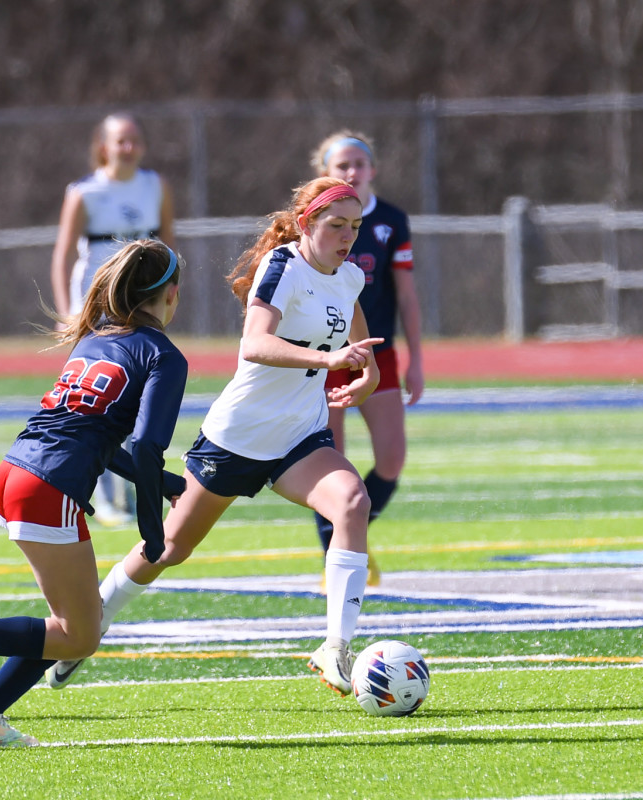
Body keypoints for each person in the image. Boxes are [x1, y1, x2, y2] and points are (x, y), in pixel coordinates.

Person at [45, 177, 382, 697]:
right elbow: (255, 343)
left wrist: (369, 374)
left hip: (301, 437)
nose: (347, 237)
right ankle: (87, 632)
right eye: (336, 225)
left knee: (352, 503)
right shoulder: (282, 267)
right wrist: (327, 359)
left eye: (355, 227)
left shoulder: (348, 276)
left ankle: (335, 647)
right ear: (306, 224)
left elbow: (358, 336)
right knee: (167, 548)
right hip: (237, 438)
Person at [0, 239, 187, 749]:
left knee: (69, 626)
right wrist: (153, 532)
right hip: (50, 484)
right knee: (81, 635)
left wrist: (165, 486)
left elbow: (96, 436)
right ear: (172, 294)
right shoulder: (163, 355)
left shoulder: (96, 338)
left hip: (14, 472)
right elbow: (142, 448)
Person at [309, 131, 425, 586]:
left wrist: (416, 358)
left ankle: (348, 530)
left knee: (392, 460)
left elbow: (408, 295)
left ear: (373, 168)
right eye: (342, 166)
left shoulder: (391, 220)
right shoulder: (314, 218)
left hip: (379, 353)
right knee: (330, 460)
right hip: (328, 355)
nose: (352, 172)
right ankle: (333, 557)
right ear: (325, 172)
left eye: (359, 163)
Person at [50, 112, 177, 525]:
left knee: (140, 392)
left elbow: (168, 245)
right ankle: (102, 496)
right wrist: (67, 310)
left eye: (134, 139)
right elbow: (65, 252)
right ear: (103, 146)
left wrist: (170, 293)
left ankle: (140, 484)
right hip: (97, 300)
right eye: (120, 140)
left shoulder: (155, 185)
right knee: (99, 395)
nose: (128, 147)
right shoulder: (84, 192)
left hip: (141, 298)